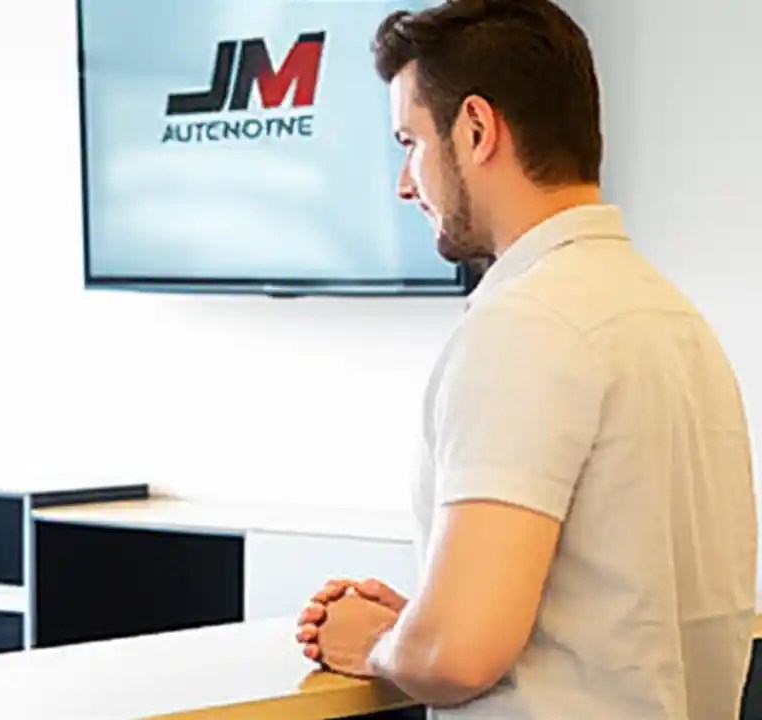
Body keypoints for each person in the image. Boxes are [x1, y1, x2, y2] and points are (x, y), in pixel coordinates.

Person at [294, 1, 756, 718]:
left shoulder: (524, 325)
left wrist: (383, 641)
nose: (405, 183)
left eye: (409, 141)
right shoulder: (673, 320)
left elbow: (459, 656)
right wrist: (432, 619)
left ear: (476, 129)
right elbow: (611, 619)